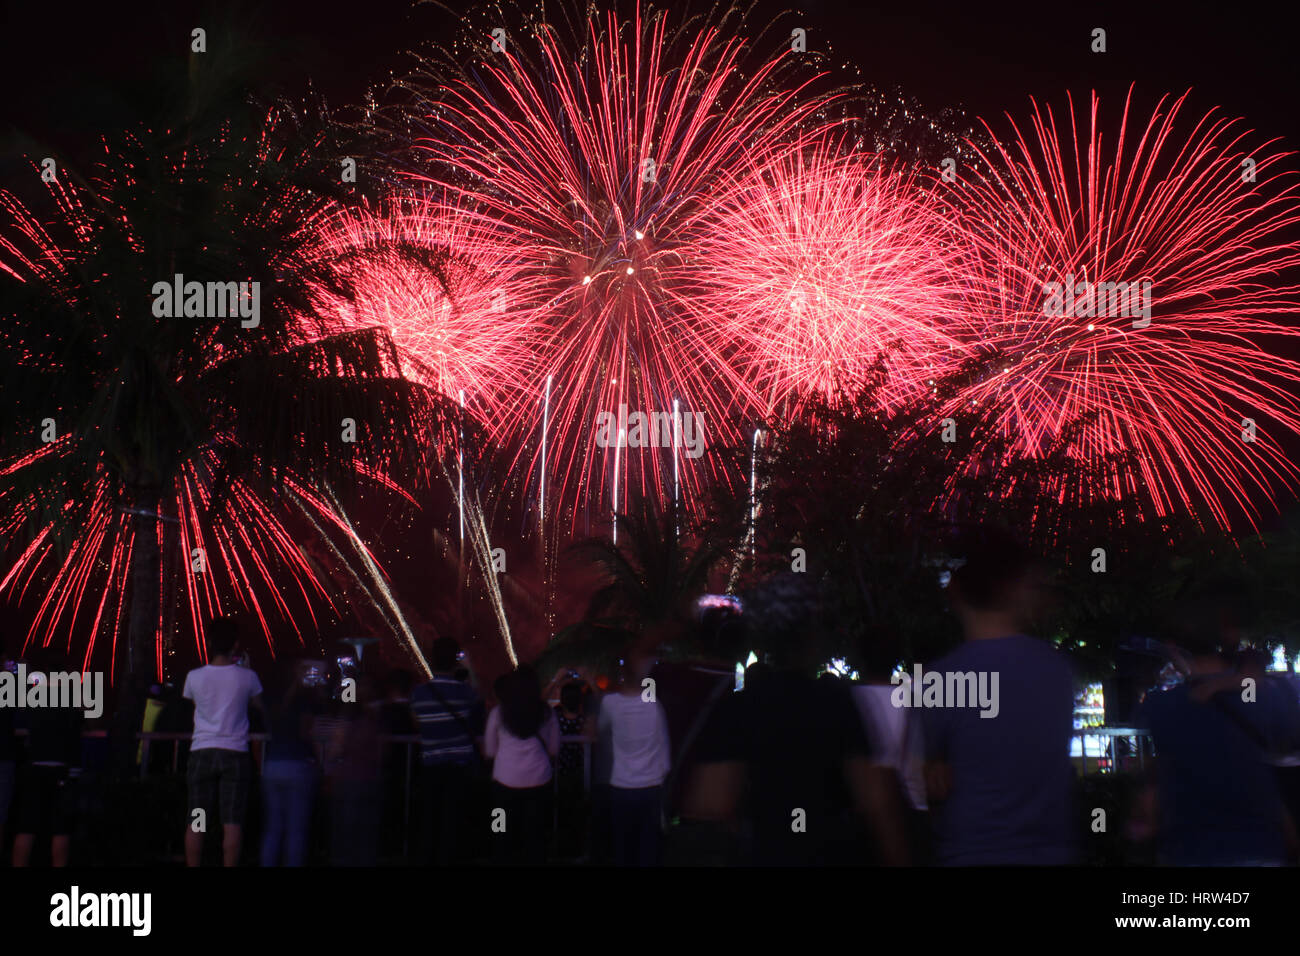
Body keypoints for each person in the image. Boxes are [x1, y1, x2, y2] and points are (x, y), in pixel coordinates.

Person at [683, 577, 907, 866]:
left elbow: (710, 803)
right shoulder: (836, 704)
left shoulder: (742, 706)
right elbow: (876, 802)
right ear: (813, 635)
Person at [921, 527, 1077, 866]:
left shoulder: (940, 679)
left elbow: (931, 782)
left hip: (969, 852)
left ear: (956, 594)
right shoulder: (1057, 670)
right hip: (1049, 853)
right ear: (1014, 590)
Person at [1132, 590, 1295, 865]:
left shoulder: (1158, 707)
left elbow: (1154, 775)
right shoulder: (1267, 696)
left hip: (1187, 850)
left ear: (1174, 648)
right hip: (1261, 846)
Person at [182, 617, 264, 867]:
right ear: (236, 645)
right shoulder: (247, 677)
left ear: (208, 642)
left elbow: (197, 706)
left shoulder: (194, 677)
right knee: (232, 821)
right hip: (235, 752)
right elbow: (259, 707)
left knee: (197, 819)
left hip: (201, 751)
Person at [409, 637, 484, 864]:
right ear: (455, 662)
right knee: (455, 823)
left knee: (429, 821)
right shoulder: (463, 692)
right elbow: (480, 702)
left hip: (431, 766)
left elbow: (416, 724)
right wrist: (469, 668)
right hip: (460, 768)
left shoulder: (418, 693)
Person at [12, 647, 84, 867]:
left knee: (26, 826)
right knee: (61, 828)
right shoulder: (73, 696)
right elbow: (79, 727)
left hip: (35, 765)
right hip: (61, 767)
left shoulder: (33, 694)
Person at [599, 655, 671, 866]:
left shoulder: (610, 703)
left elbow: (601, 728)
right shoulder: (654, 706)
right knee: (648, 848)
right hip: (650, 786)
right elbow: (664, 751)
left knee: (623, 848)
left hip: (621, 785)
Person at [484, 665, 559, 864]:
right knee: (535, 836)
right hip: (539, 781)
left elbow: (490, 750)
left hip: (503, 782)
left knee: (500, 831)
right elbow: (554, 749)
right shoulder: (547, 713)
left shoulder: (498, 713)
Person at [259, 659, 322, 867]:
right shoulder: (303, 700)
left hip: (273, 765)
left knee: (273, 827)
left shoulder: (271, 701)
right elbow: (306, 733)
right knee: (296, 829)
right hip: (297, 764)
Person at [553, 679, 591, 859]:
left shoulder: (554, 719)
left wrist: (555, 680)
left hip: (559, 774)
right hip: (580, 774)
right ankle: (578, 851)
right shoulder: (585, 721)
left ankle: (560, 851)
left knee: (561, 814)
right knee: (578, 815)